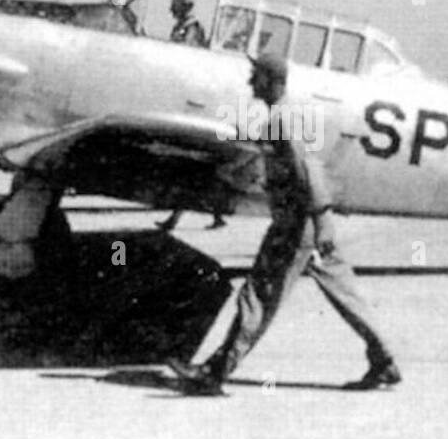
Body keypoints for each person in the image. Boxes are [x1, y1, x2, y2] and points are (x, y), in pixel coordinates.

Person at [169, 51, 402, 395]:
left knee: (258, 296)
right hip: (307, 222)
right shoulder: (285, 116)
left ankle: (214, 374)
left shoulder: (282, 119)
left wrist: (321, 220)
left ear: (272, 81)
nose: (250, 81)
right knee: (345, 293)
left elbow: (309, 170)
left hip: (296, 225)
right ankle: (385, 361)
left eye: (256, 76)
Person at [158, 0, 223, 230]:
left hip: (194, 107)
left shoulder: (192, 29)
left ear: (184, 6)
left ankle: (180, 219)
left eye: (174, 5)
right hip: (190, 106)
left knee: (195, 173)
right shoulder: (184, 27)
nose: (171, 9)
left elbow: (187, 64)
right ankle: (210, 216)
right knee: (198, 175)